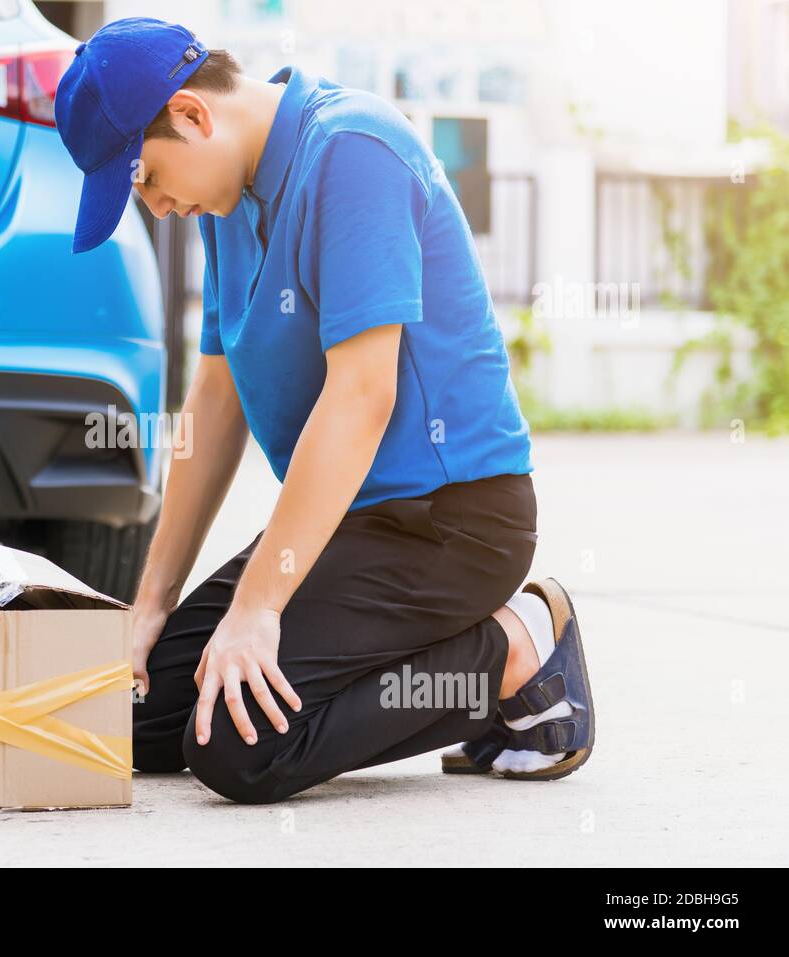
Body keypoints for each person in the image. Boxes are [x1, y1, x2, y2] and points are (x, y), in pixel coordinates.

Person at [52, 17, 596, 804]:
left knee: (242, 747)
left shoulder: (352, 150)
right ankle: (393, 643)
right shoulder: (225, 196)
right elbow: (214, 402)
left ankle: (517, 648)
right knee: (143, 712)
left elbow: (362, 395)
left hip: (451, 524)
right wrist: (151, 606)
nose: (157, 208)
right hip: (354, 522)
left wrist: (260, 606)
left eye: (144, 180)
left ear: (193, 114)